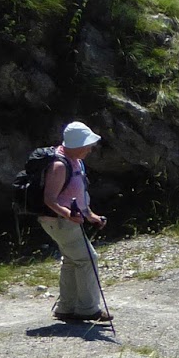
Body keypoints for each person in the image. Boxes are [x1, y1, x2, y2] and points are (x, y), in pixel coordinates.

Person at [38, 120, 110, 323]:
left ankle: (66, 308)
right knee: (88, 259)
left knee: (72, 260)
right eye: (87, 145)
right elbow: (49, 199)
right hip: (59, 221)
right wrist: (69, 214)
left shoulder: (75, 160)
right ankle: (88, 309)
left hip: (62, 220)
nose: (90, 149)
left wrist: (91, 216)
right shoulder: (59, 165)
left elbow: (77, 194)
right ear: (76, 145)